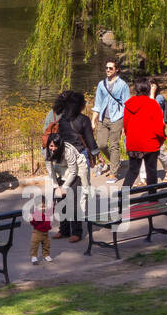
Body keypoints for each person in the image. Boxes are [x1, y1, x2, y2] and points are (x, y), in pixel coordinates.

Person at [50, 89, 96, 241]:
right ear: (79, 106)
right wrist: (96, 155)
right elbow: (90, 141)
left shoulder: (63, 119)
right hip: (76, 160)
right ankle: (74, 231)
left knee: (63, 196)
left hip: (65, 161)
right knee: (76, 196)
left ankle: (66, 229)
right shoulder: (83, 120)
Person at [121, 80, 166, 188]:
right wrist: (161, 139)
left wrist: (130, 138)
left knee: (132, 171)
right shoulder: (152, 104)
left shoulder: (129, 105)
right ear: (149, 89)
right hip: (150, 143)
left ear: (136, 90)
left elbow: (126, 125)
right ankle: (153, 199)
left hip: (134, 144)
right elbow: (159, 126)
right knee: (151, 172)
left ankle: (122, 197)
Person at [90, 60, 130, 181]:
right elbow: (97, 103)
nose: (108, 70)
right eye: (106, 68)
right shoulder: (101, 84)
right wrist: (93, 120)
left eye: (110, 68)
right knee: (101, 144)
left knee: (114, 146)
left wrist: (125, 124)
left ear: (117, 69)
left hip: (117, 118)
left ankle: (114, 172)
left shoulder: (123, 85)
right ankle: (114, 162)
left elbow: (126, 104)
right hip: (103, 118)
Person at [148, 79, 167, 180]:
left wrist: (152, 92)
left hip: (156, 129)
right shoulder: (145, 97)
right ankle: (144, 179)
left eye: (152, 85)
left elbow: (152, 108)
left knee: (159, 152)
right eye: (149, 85)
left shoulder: (159, 97)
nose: (150, 86)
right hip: (146, 129)